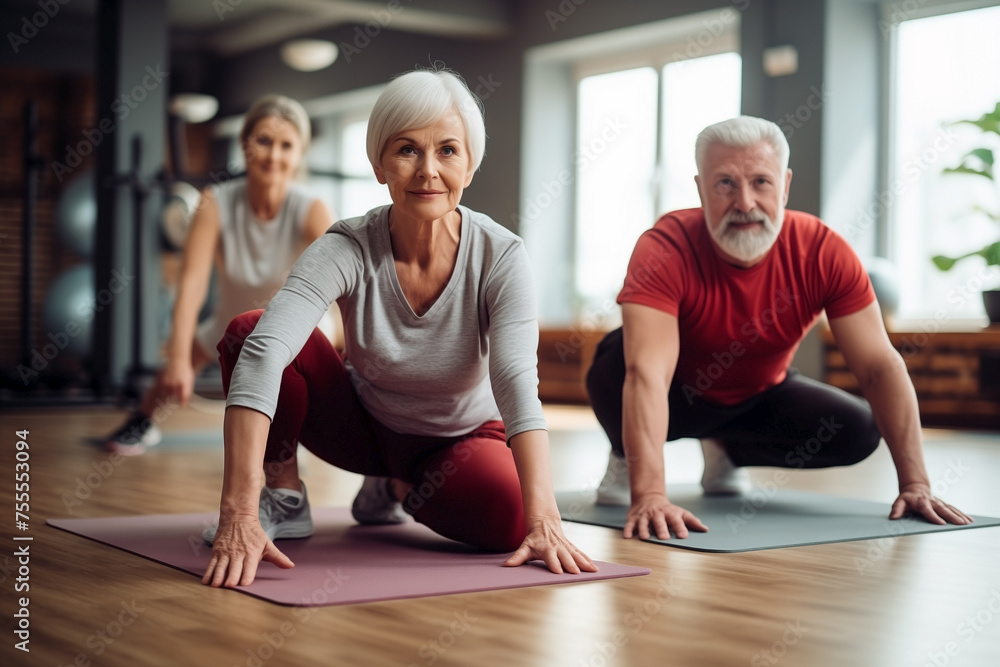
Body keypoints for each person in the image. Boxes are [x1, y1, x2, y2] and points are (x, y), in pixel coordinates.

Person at [201, 69, 597, 588]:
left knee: (511, 519)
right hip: (363, 428)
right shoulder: (348, 245)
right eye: (407, 149)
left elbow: (516, 380)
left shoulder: (501, 255)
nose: (428, 171)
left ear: (470, 165)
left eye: (448, 151)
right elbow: (265, 349)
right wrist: (237, 511)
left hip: (457, 440)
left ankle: (394, 488)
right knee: (248, 331)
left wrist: (546, 521)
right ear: (379, 164)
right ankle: (285, 496)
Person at [585, 116, 973, 541]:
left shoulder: (823, 251)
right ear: (700, 189)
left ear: (785, 185)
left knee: (858, 430)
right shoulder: (665, 246)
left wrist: (916, 484)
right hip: (674, 393)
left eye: (761, 182)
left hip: (755, 394)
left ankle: (725, 447)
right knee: (617, 365)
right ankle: (626, 453)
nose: (745, 202)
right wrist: (650, 495)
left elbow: (880, 367)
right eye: (725, 184)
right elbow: (647, 374)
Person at [104, 95, 335, 454]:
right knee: (176, 364)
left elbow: (341, 281)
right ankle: (142, 422)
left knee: (311, 373)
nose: (273, 155)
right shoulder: (214, 201)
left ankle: (291, 440)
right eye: (264, 141)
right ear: (244, 143)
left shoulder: (311, 208)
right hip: (232, 319)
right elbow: (192, 283)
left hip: (297, 326)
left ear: (299, 153)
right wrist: (178, 359)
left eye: (286, 146)